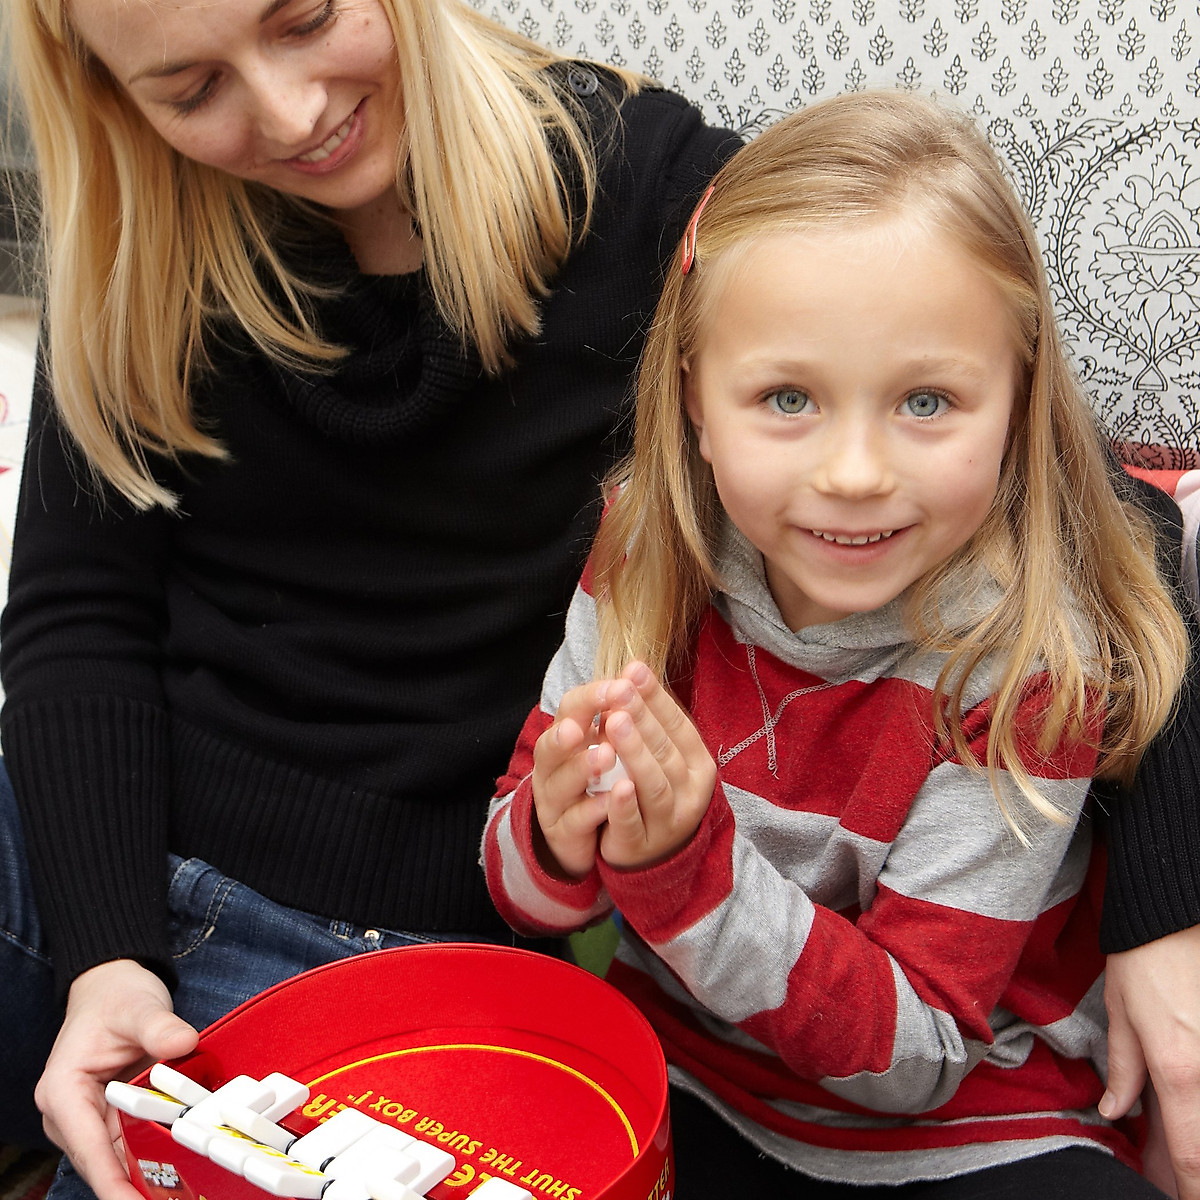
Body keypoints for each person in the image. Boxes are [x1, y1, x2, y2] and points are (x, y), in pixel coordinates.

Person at [0, 0, 1198, 1192]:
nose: (292, 111)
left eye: (307, 19)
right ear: (114, 101)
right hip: (114, 865)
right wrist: (106, 956)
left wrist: (1165, 905)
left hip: (399, 945)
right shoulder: (130, 250)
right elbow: (73, 619)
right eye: (188, 90)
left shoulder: (656, 191)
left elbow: (1088, 521)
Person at [482, 91, 1192, 1197]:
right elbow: (525, 897)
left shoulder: (1028, 665)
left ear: (1017, 401)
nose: (855, 473)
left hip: (962, 1128)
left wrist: (683, 869)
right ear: (695, 401)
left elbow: (913, 1061)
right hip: (673, 1076)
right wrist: (558, 833)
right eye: (786, 398)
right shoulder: (642, 549)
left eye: (925, 400)